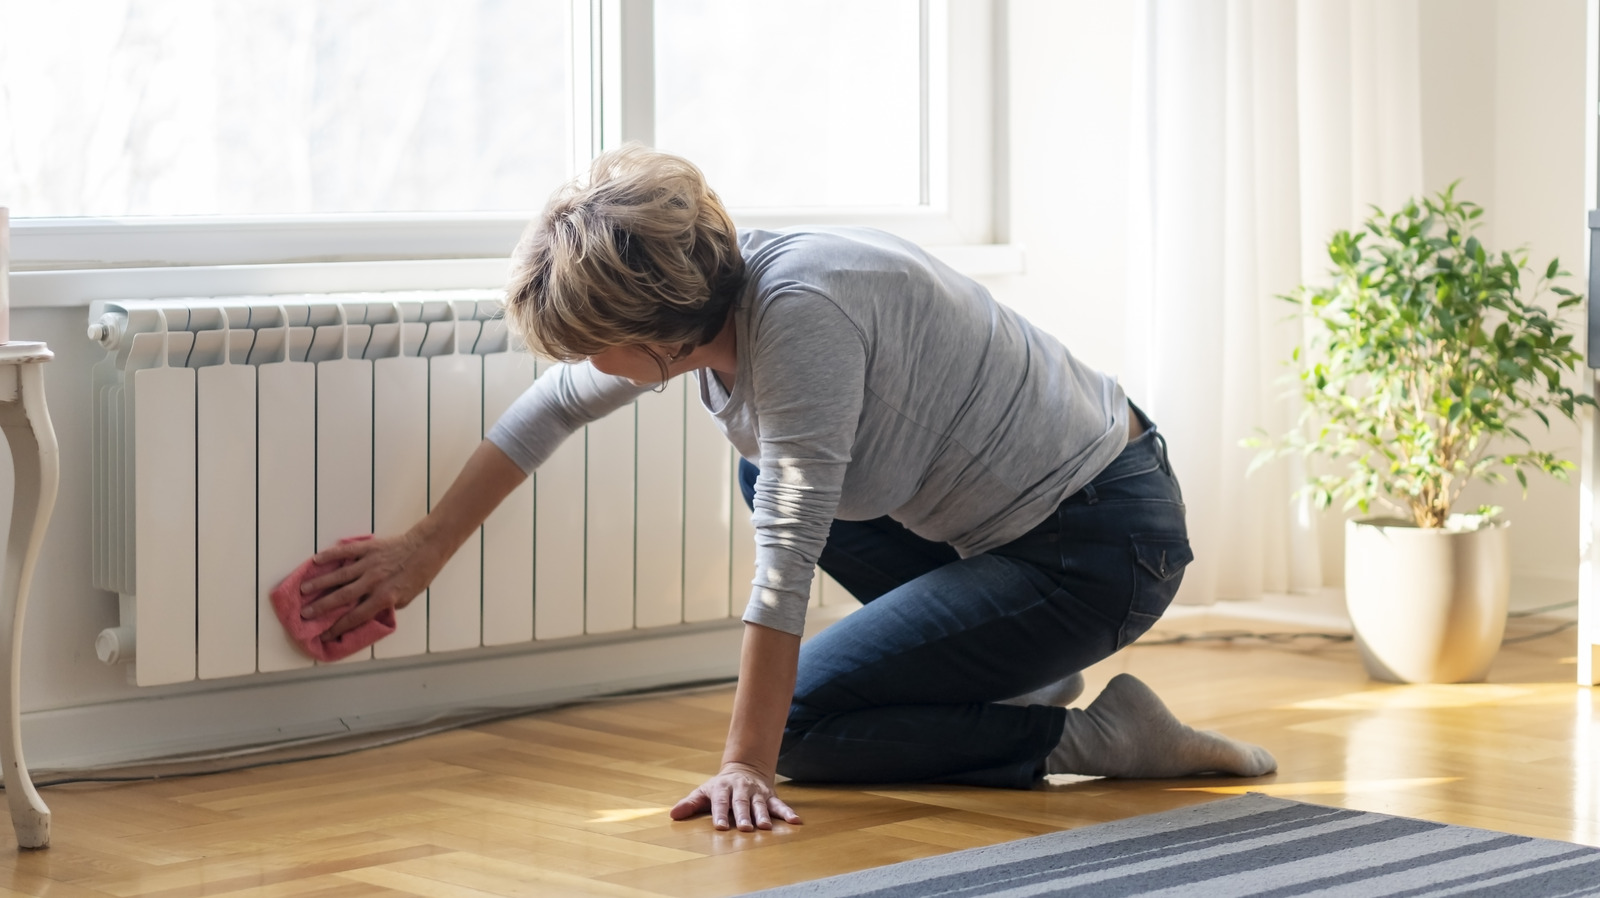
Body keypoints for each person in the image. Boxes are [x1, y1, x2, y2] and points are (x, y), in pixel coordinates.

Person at [299, 146, 1277, 833]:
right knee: (754, 461)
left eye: (598, 343)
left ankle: (1103, 734)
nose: (586, 362)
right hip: (1016, 533)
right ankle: (1011, 668)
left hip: (1102, 540)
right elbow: (548, 410)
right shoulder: (706, 301)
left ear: (661, 336)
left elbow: (786, 560)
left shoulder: (800, 314)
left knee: (805, 727)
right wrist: (421, 547)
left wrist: (744, 764)